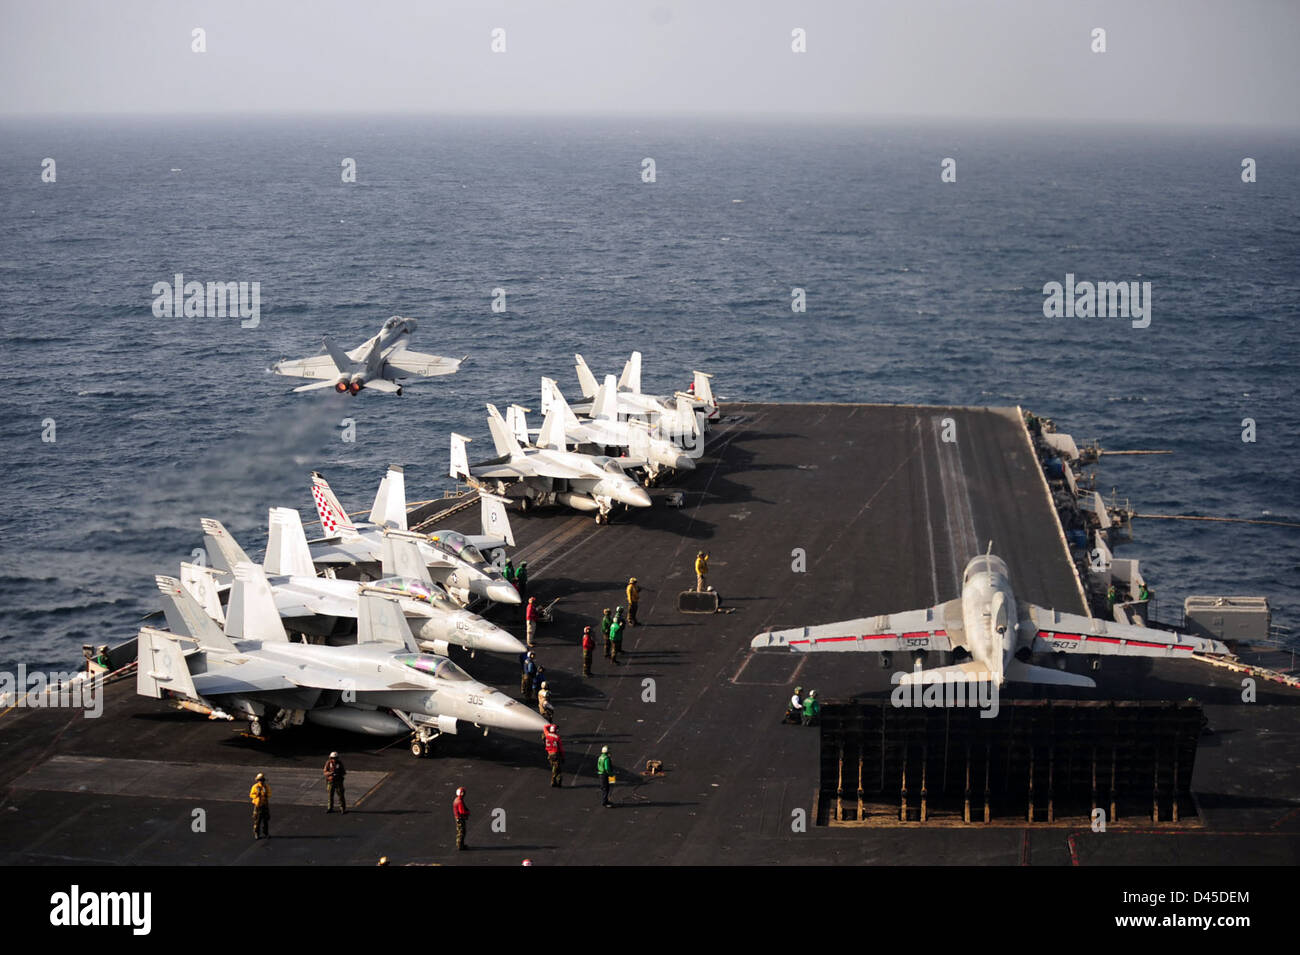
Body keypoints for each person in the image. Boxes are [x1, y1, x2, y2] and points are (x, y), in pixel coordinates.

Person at [250, 772, 270, 840]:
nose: (261, 781)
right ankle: (257, 833)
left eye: (262, 780)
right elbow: (251, 795)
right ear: (258, 780)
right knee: (257, 821)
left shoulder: (266, 787)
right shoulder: (255, 787)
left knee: (265, 821)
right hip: (258, 806)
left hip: (264, 805)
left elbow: (270, 793)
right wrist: (256, 795)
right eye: (260, 780)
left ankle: (266, 833)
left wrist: (266, 795)